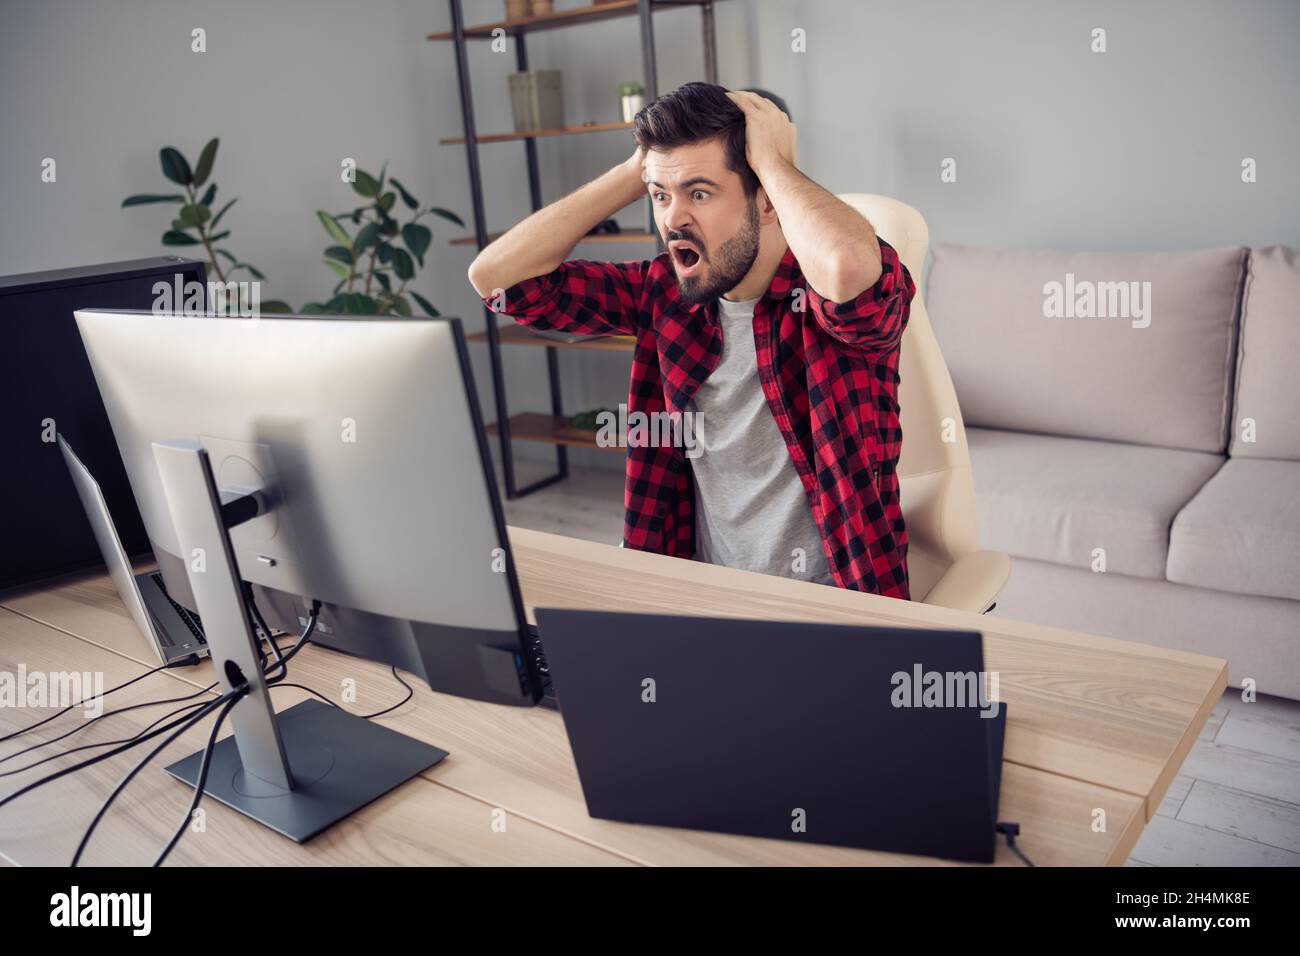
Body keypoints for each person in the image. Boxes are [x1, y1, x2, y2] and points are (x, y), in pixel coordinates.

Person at [468, 82, 915, 600]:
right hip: (697, 598)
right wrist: (636, 172)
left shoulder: (828, 300)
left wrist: (773, 164)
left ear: (767, 199)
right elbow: (498, 281)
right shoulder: (663, 292)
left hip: (838, 608)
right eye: (661, 197)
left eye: (699, 193)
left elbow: (850, 267)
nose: (672, 219)